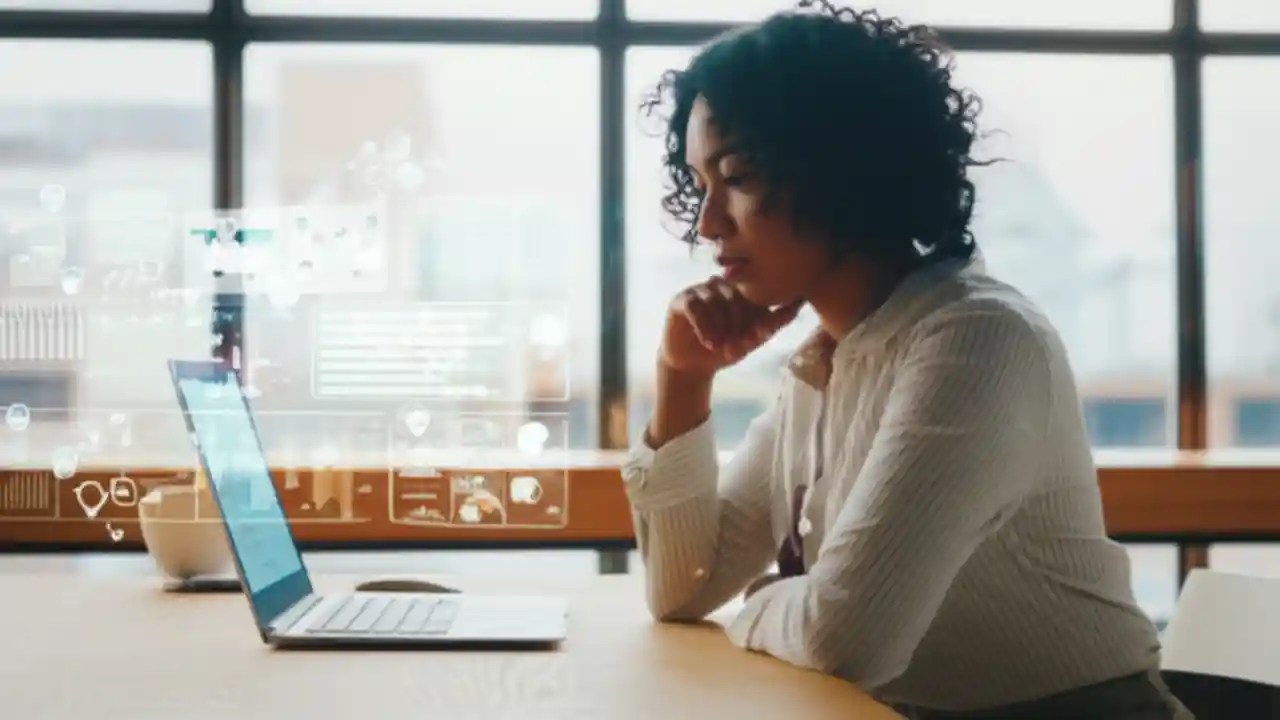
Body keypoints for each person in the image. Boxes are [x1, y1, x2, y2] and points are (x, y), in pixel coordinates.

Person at [619, 2, 1193, 718]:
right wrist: (684, 378)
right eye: (702, 184)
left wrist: (759, 603)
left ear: (841, 167)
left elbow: (846, 640)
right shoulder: (827, 361)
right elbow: (683, 589)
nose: (707, 224)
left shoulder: (975, 340)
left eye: (737, 178)